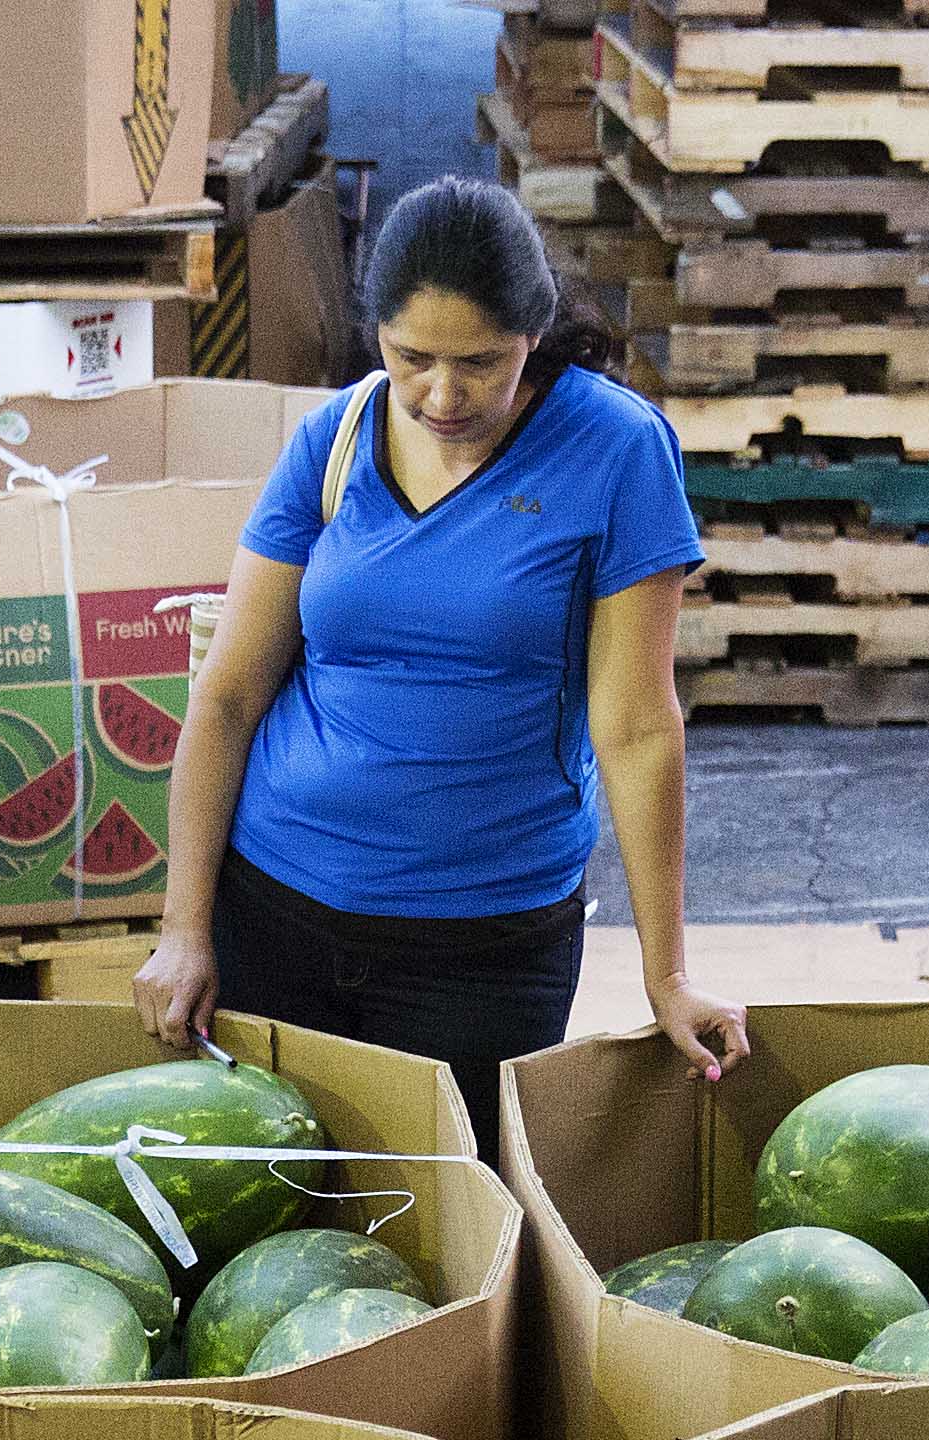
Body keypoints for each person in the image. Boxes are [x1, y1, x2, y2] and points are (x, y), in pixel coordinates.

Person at [136, 179, 741, 1146]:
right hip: (273, 911)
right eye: (411, 358)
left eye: (479, 364)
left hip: (480, 950)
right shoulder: (332, 439)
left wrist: (665, 972)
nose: (442, 396)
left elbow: (634, 728)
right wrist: (184, 929)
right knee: (271, 1223)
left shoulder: (617, 452)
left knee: (450, 1223)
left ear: (532, 336)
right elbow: (230, 696)